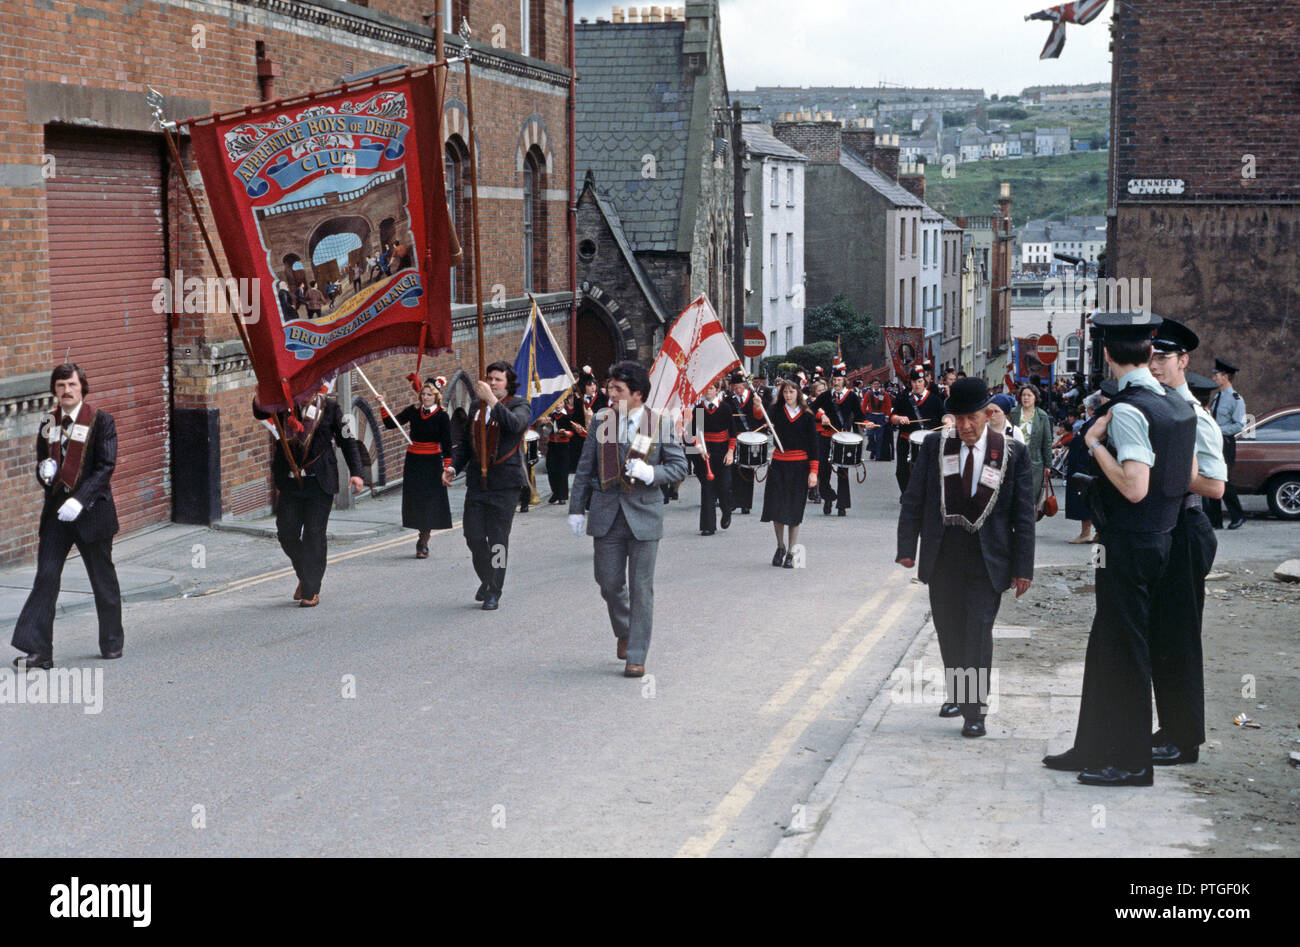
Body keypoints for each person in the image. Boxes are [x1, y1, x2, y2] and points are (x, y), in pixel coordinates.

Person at [1043, 312, 1197, 787]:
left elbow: (1134, 486)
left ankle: (1130, 762)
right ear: (1152, 353)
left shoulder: (1129, 410)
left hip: (1128, 542)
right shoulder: (1176, 403)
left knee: (1126, 651)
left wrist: (1095, 444)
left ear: (1106, 354)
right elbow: (1183, 474)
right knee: (1106, 643)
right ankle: (1091, 744)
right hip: (1161, 538)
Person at [896, 377, 1036, 737]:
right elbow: (914, 497)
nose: (965, 426)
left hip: (988, 559)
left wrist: (1024, 568)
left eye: (971, 418)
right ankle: (958, 693)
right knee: (950, 630)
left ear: (989, 414)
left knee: (977, 633)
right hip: (944, 554)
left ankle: (976, 712)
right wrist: (906, 548)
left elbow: (1023, 515)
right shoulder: (934, 446)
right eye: (958, 419)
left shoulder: (1011, 452)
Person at [567, 361, 688, 678]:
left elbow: (679, 468)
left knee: (641, 588)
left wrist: (652, 473)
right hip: (607, 514)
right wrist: (576, 508)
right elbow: (585, 467)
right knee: (608, 583)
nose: (610, 394)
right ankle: (624, 630)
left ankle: (636, 653)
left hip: (645, 516)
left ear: (637, 394)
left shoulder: (658, 425)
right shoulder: (601, 421)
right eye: (610, 388)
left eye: (617, 389)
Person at [1147, 320, 1228, 766]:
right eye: (1151, 356)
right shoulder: (1155, 407)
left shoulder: (1195, 417)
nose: (1156, 364)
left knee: (1179, 637)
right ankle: (1171, 725)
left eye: (1164, 357)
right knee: (1161, 634)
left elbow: (1215, 486)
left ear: (1183, 361)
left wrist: (1165, 474)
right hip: (1161, 529)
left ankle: (1185, 739)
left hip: (1186, 528)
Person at [12, 364, 124, 669]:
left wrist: (80, 500)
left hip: (90, 512)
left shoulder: (102, 422)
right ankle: (39, 651)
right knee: (46, 578)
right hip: (56, 516)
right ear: (55, 390)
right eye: (60, 386)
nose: (66, 391)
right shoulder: (49, 423)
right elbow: (43, 464)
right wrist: (43, 474)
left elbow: (105, 467)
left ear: (82, 387)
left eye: (72, 385)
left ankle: (112, 642)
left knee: (102, 581)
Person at [253, 380, 366, 608]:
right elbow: (260, 411)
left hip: (320, 483)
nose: (303, 395)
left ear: (316, 389)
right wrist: (260, 394)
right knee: (286, 533)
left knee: (314, 534)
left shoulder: (331, 408)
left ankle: (311, 589)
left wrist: (356, 473)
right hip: (290, 483)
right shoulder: (284, 406)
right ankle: (306, 575)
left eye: (308, 390)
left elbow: (347, 440)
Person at [442, 361, 531, 611]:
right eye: (489, 378)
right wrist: (452, 467)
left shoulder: (519, 405)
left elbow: (514, 426)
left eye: (498, 380)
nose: (492, 383)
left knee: (499, 541)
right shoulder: (476, 407)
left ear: (508, 383)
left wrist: (492, 400)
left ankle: (495, 590)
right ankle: (488, 578)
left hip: (505, 485)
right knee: (473, 536)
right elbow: (467, 445)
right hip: (478, 484)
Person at [382, 378, 453, 559]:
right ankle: (420, 534)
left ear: (436, 397)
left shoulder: (442, 416)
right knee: (416, 499)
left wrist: (446, 467)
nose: (426, 397)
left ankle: (423, 541)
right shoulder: (413, 411)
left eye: (430, 394)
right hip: (414, 461)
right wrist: (383, 405)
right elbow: (391, 423)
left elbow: (447, 443)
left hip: (432, 463)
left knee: (429, 501)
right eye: (423, 394)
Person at [758, 379, 820, 568]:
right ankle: (780, 546)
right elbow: (762, 419)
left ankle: (792, 552)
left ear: (798, 394)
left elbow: (814, 446)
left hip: (799, 466)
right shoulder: (775, 411)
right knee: (776, 507)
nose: (788, 395)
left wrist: (813, 472)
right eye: (785, 392)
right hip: (779, 464)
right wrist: (757, 405)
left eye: (792, 392)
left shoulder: (808, 416)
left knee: (794, 510)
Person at [810, 367, 864, 516]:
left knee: (843, 472)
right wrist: (821, 415)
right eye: (834, 380)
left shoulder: (851, 396)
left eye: (839, 380)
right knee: (822, 471)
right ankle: (828, 497)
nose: (836, 382)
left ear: (844, 381)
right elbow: (810, 408)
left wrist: (867, 422)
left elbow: (859, 415)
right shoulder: (826, 395)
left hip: (843, 438)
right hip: (826, 436)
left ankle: (842, 505)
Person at [691, 381, 737, 535]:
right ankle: (708, 526)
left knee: (724, 486)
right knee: (707, 488)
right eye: (705, 388)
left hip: (723, 453)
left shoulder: (725, 408)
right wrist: (699, 448)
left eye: (710, 388)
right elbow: (694, 434)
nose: (707, 391)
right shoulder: (698, 409)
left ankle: (726, 510)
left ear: (717, 390)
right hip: (706, 453)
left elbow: (733, 433)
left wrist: (730, 452)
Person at [1205, 357, 1246, 530]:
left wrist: (1217, 430)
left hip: (1226, 443)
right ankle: (1215, 520)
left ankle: (1238, 516)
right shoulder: (1217, 396)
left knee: (1224, 479)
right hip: (1214, 442)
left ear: (1226, 377)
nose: (1214, 378)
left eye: (1217, 375)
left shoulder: (1236, 399)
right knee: (1213, 476)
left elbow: (1239, 425)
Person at [890, 367, 946, 496]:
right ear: (911, 383)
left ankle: (923, 496)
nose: (917, 385)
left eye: (920, 381)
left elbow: (944, 415)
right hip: (906, 439)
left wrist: (948, 421)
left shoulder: (934, 399)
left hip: (928, 441)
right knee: (902, 471)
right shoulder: (903, 398)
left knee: (928, 470)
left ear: (925, 382)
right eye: (914, 382)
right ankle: (906, 494)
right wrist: (899, 418)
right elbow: (892, 417)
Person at [1064, 390, 1106, 543]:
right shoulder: (1091, 421)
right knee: (1086, 501)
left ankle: (1088, 532)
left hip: (1085, 465)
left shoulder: (1094, 422)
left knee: (1087, 500)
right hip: (1081, 464)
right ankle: (1089, 532)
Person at [1010, 383, 1053, 514]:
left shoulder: (1042, 415)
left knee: (1032, 495)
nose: (1026, 398)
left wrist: (1048, 465)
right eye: (1023, 395)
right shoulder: (1014, 413)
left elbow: (1047, 441)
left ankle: (1029, 526)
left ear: (1035, 397)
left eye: (1029, 395)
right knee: (1016, 493)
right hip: (1016, 459)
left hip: (1035, 461)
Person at [728, 371, 757, 514]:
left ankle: (746, 503)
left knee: (748, 470)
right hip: (734, 437)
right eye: (734, 387)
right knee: (733, 470)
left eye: (739, 387)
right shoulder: (729, 399)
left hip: (749, 438)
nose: (737, 390)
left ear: (744, 385)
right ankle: (734, 501)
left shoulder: (754, 397)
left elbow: (761, 416)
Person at [544, 393, 576, 504]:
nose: (558, 405)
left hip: (564, 446)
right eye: (556, 403)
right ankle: (555, 492)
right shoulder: (549, 416)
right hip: (552, 445)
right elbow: (544, 432)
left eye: (561, 402)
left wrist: (566, 433)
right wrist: (544, 424)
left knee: (562, 470)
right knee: (551, 469)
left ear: (564, 404)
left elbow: (573, 432)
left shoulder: (568, 416)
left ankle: (562, 496)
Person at [862, 379, 893, 461]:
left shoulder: (884, 393)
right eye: (874, 384)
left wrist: (887, 416)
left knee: (879, 437)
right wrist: (864, 417)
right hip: (871, 416)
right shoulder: (868, 394)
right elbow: (864, 405)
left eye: (877, 384)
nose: (876, 386)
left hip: (881, 417)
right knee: (870, 435)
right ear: (871, 385)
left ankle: (878, 455)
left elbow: (888, 405)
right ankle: (873, 450)